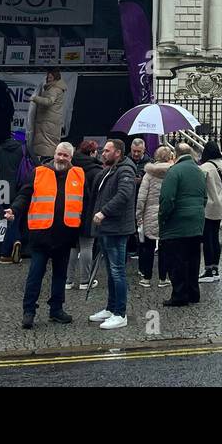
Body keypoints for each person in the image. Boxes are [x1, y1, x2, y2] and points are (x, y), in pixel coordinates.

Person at [7, 142, 83, 328]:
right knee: (35, 274)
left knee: (60, 276)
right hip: (41, 234)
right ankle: (29, 311)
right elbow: (24, 195)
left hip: (65, 235)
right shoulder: (38, 172)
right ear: (54, 154)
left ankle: (56, 310)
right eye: (59, 154)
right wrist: (14, 210)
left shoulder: (79, 175)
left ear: (71, 158)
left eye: (65, 155)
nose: (61, 158)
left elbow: (85, 201)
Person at [87, 139, 137, 330]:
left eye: (107, 150)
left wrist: (104, 211)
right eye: (103, 150)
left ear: (118, 153)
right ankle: (111, 308)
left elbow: (123, 195)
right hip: (107, 228)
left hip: (117, 229)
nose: (103, 153)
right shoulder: (110, 169)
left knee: (117, 271)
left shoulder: (125, 170)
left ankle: (120, 313)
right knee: (110, 271)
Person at [158, 142, 207, 307]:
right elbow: (204, 197)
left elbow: (167, 198)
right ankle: (193, 292)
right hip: (197, 222)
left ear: (175, 155)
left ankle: (179, 295)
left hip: (177, 224)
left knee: (177, 261)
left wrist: (163, 217)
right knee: (193, 260)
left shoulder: (174, 171)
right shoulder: (199, 171)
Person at [0, 132, 29, 264]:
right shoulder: (24, 149)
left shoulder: (2, 148)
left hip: (3, 190)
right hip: (20, 190)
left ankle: (10, 250)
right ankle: (9, 249)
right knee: (16, 219)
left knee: (10, 219)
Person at [67, 138, 105, 289]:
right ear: (92, 152)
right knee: (87, 245)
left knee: (73, 246)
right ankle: (85, 280)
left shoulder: (71, 166)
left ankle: (68, 280)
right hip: (89, 212)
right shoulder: (96, 170)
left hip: (72, 210)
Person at [136, 145, 173, 288]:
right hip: (166, 213)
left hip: (150, 213)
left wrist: (138, 215)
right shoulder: (173, 172)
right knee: (165, 247)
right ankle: (164, 278)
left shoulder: (149, 174)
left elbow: (141, 197)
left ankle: (146, 277)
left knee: (147, 247)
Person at [198, 139, 222, 282]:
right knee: (215, 238)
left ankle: (208, 271)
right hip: (219, 202)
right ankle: (215, 268)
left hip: (208, 205)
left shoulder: (204, 168)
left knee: (207, 238)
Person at [29, 69, 68, 159]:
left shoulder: (53, 89)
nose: (49, 79)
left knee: (45, 149)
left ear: (55, 77)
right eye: (48, 77)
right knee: (50, 146)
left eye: (51, 77)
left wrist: (35, 98)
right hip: (50, 124)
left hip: (47, 124)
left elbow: (49, 102)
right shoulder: (57, 88)